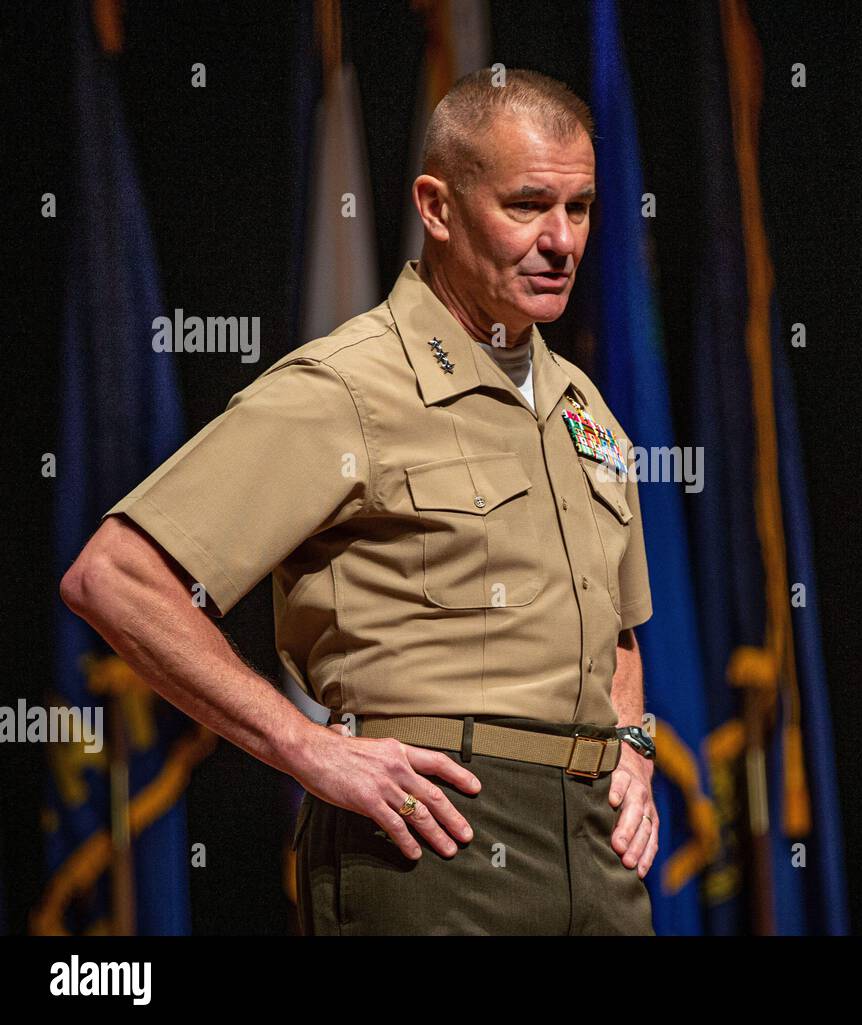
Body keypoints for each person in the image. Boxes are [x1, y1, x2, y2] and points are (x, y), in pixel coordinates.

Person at [59, 67, 659, 935]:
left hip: (600, 856)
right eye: (528, 205)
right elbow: (114, 576)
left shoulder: (584, 408)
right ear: (438, 206)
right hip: (431, 843)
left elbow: (620, 630)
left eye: (581, 208)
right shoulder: (348, 387)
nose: (562, 240)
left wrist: (633, 746)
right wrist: (308, 749)